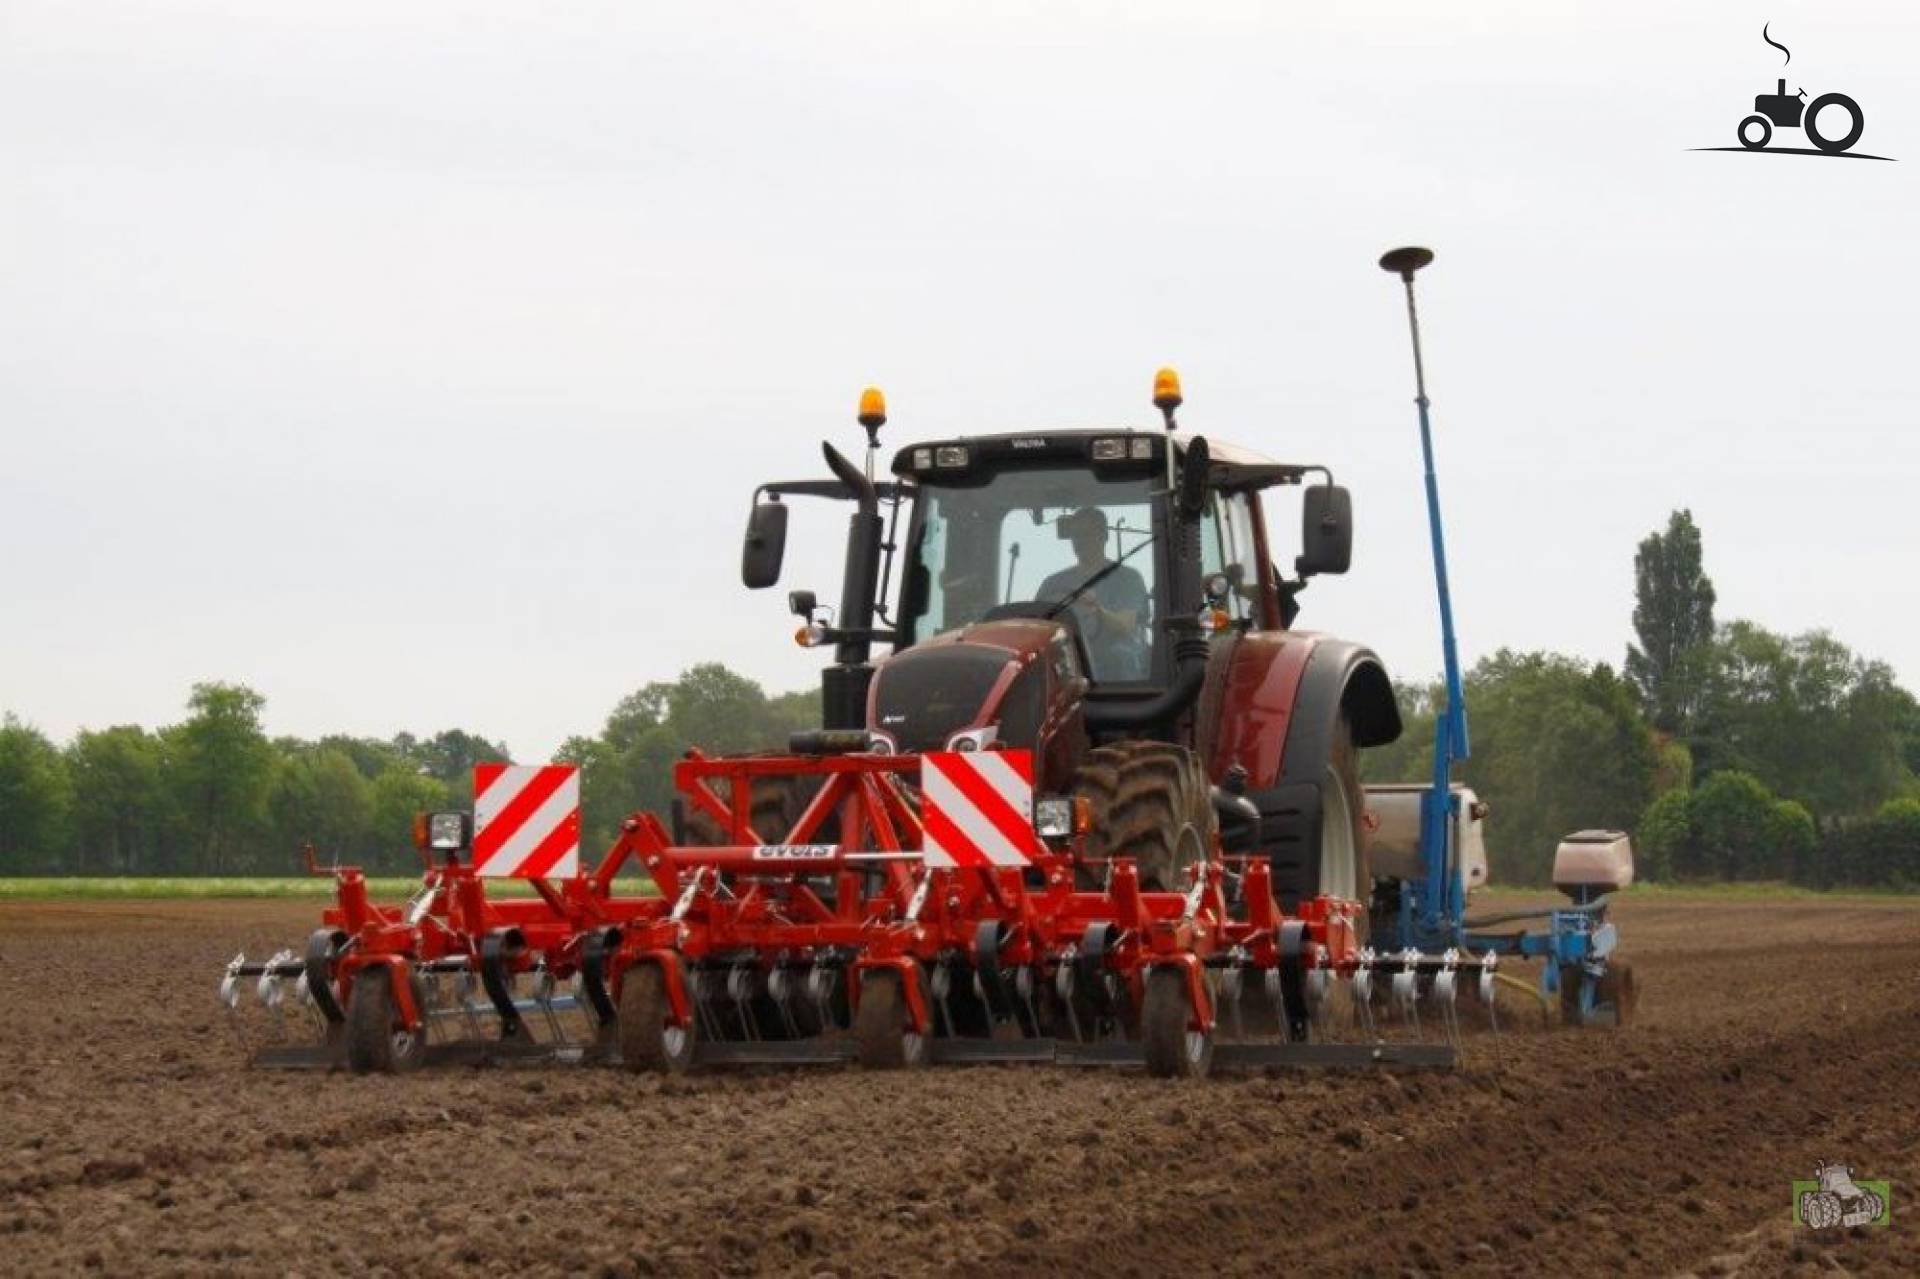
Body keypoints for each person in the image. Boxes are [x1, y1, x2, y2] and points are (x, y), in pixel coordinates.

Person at [1035, 507, 1150, 680]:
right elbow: (1037, 627)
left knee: (1118, 656)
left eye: (1088, 534)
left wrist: (1096, 608)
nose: (1081, 541)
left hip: (1120, 680)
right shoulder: (1053, 583)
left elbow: (1125, 625)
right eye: (1077, 534)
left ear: (1104, 536)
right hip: (1068, 665)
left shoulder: (1128, 579)